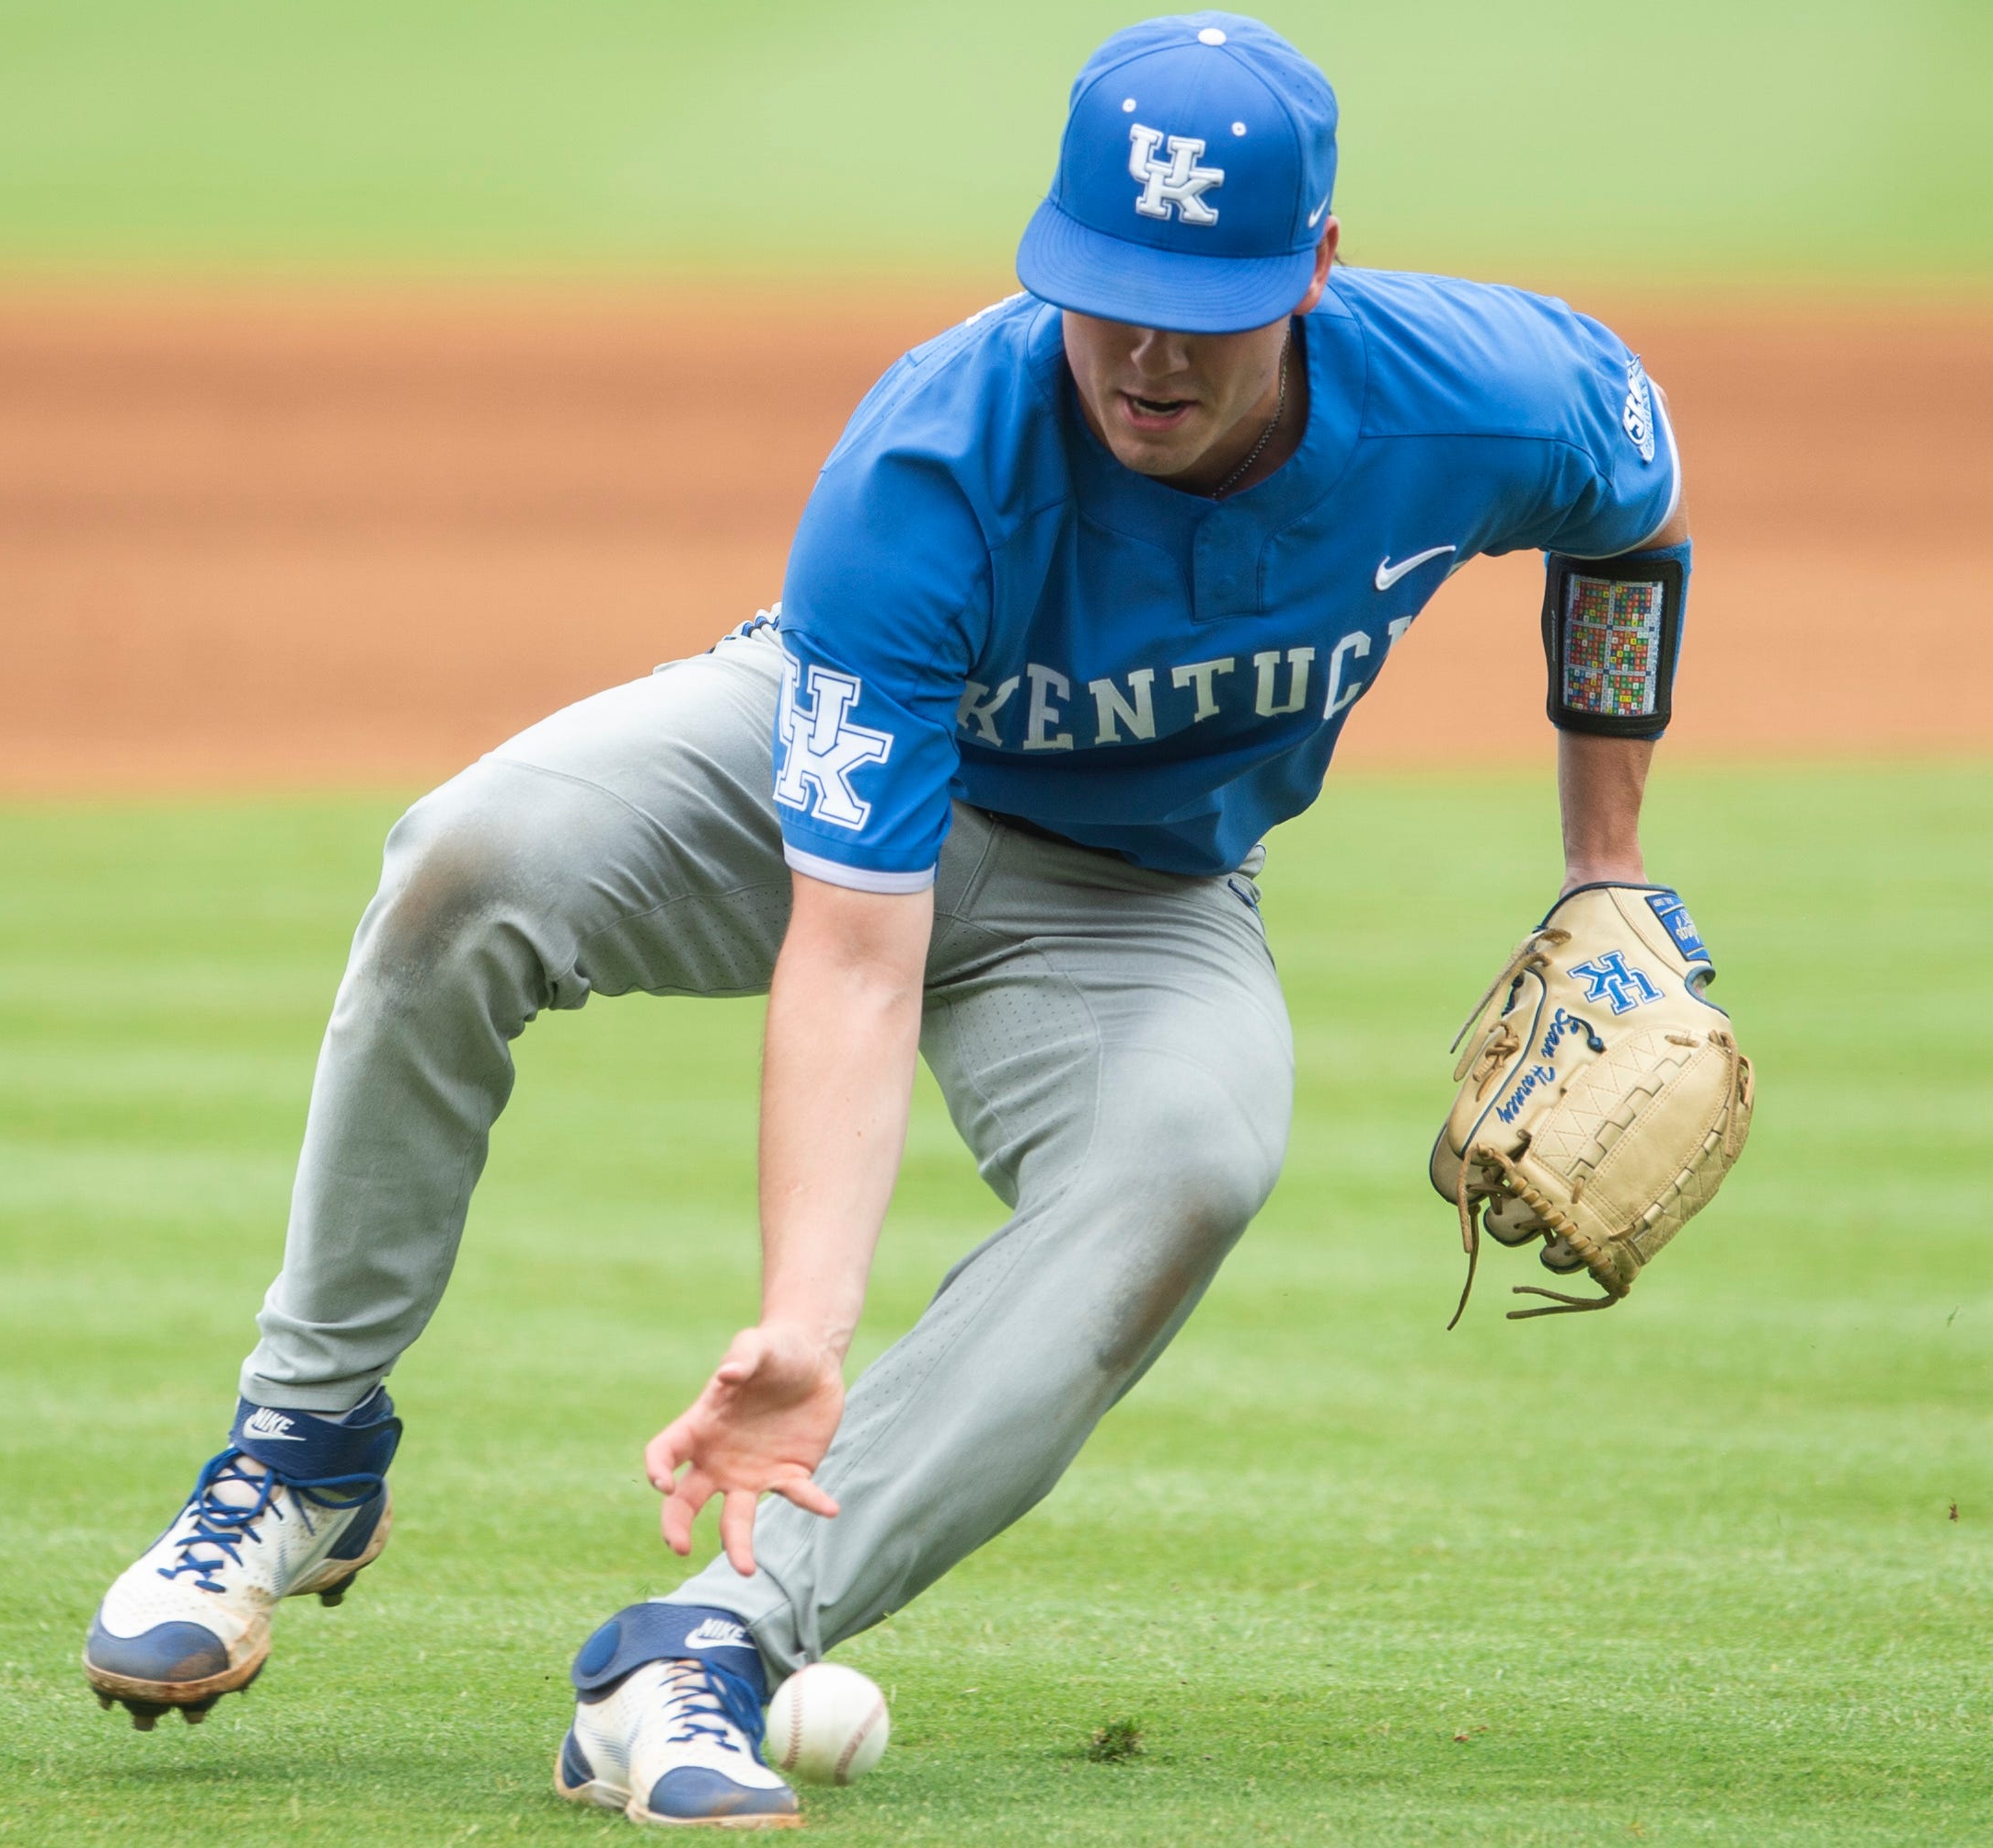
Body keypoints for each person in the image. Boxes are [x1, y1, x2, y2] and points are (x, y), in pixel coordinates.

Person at [83, 12, 1694, 1828]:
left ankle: (704, 1647)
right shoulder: (935, 466)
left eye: (1204, 299)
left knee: (1192, 1151)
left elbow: (1634, 512)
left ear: (1314, 269)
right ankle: (300, 1448)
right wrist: (803, 1324)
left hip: (1137, 901)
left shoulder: (1482, 395)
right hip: (825, 773)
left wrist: (1603, 864)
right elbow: (851, 948)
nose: (1148, 349)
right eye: (1105, 290)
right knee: (474, 854)